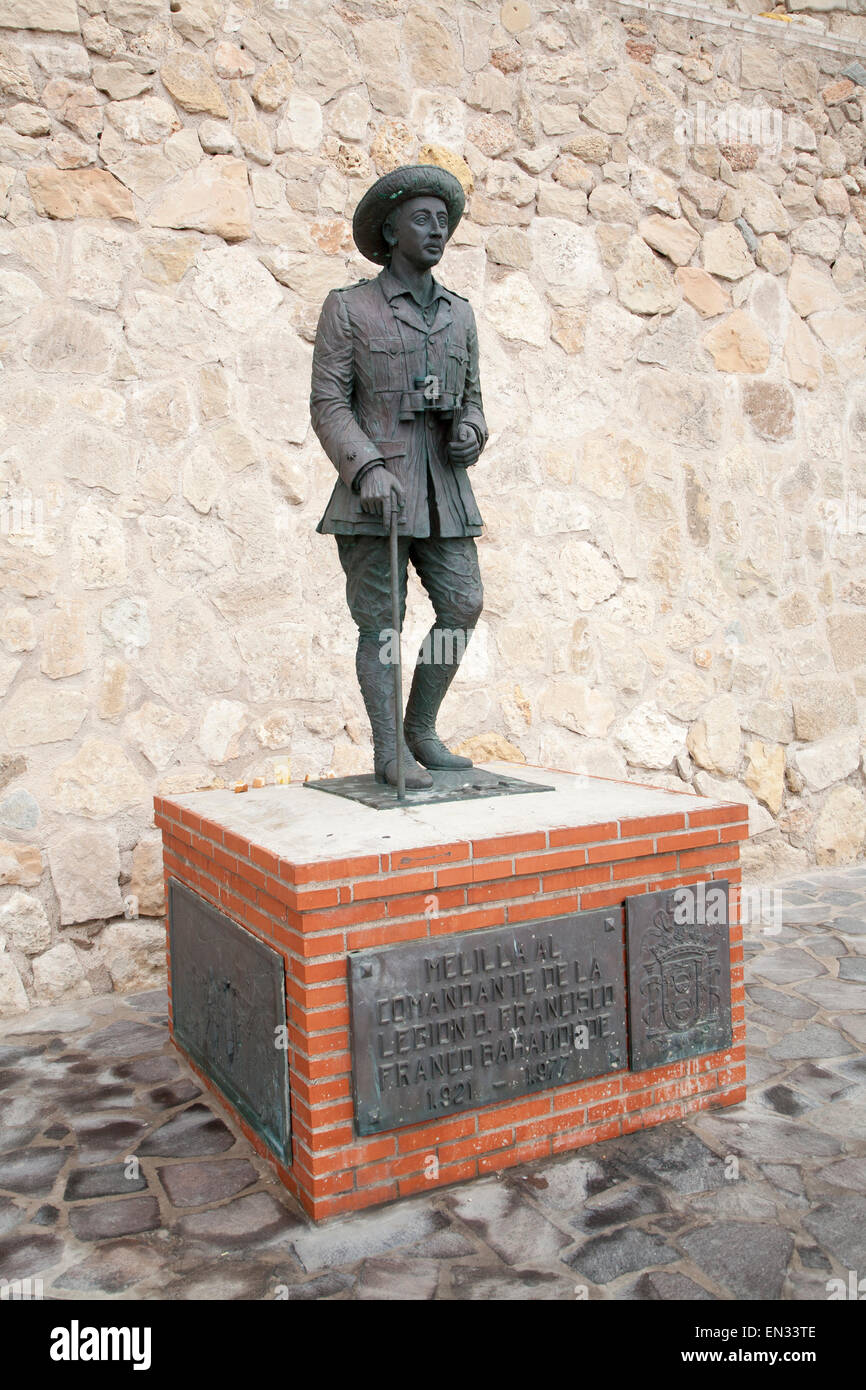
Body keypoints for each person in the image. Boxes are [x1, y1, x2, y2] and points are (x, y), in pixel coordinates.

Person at [310, 165, 488, 789]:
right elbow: (329, 403)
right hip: (375, 497)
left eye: (444, 221)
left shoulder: (460, 316)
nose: (437, 231)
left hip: (444, 491)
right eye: (422, 219)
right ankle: (389, 752)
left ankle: (421, 727)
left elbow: (473, 399)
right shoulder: (350, 308)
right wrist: (367, 468)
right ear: (390, 230)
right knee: (381, 625)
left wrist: (469, 430)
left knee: (462, 605)